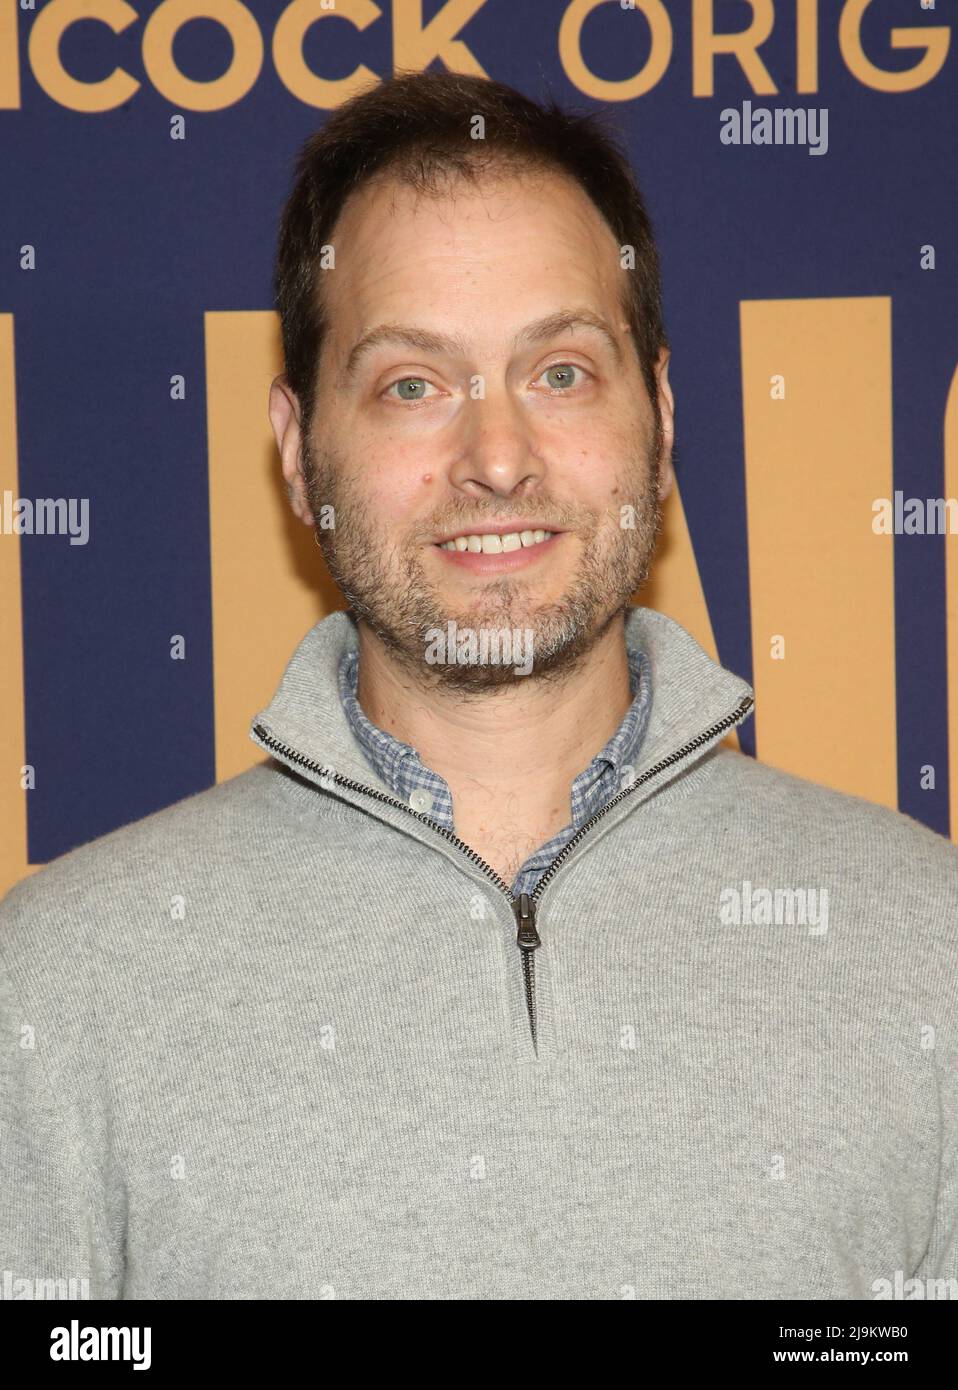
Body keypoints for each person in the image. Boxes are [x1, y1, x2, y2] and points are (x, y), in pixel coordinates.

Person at [2, 71, 956, 1302]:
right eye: (411, 384)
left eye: (559, 371)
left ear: (659, 416)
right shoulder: (62, 982)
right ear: (299, 453)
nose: (496, 458)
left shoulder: (927, 945)